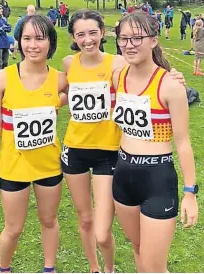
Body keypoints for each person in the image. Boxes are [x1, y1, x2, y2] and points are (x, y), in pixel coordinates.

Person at [60, 9, 185, 273]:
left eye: (93, 32)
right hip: (76, 147)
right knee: (85, 220)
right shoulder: (69, 63)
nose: (88, 39)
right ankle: (96, 269)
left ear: (103, 34)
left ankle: (109, 267)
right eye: (80, 34)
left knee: (103, 233)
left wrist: (172, 75)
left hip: (110, 151)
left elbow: (146, 72)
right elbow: (67, 92)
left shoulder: (118, 63)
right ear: (73, 36)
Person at [112, 11, 198, 272]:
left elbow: (183, 142)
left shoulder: (170, 86)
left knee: (155, 266)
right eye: (124, 38)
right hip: (124, 174)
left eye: (137, 38)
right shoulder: (118, 76)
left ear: (153, 40)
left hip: (157, 178)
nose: (129, 44)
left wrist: (190, 193)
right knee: (138, 250)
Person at [0, 15, 67, 273]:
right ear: (17, 41)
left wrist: (173, 75)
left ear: (50, 42)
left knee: (49, 220)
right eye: (27, 38)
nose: (33, 45)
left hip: (49, 167)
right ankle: (3, 269)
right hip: (13, 168)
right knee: (13, 229)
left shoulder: (61, 79)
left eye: (40, 38)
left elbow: (106, 79)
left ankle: (49, 269)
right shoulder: (1, 79)